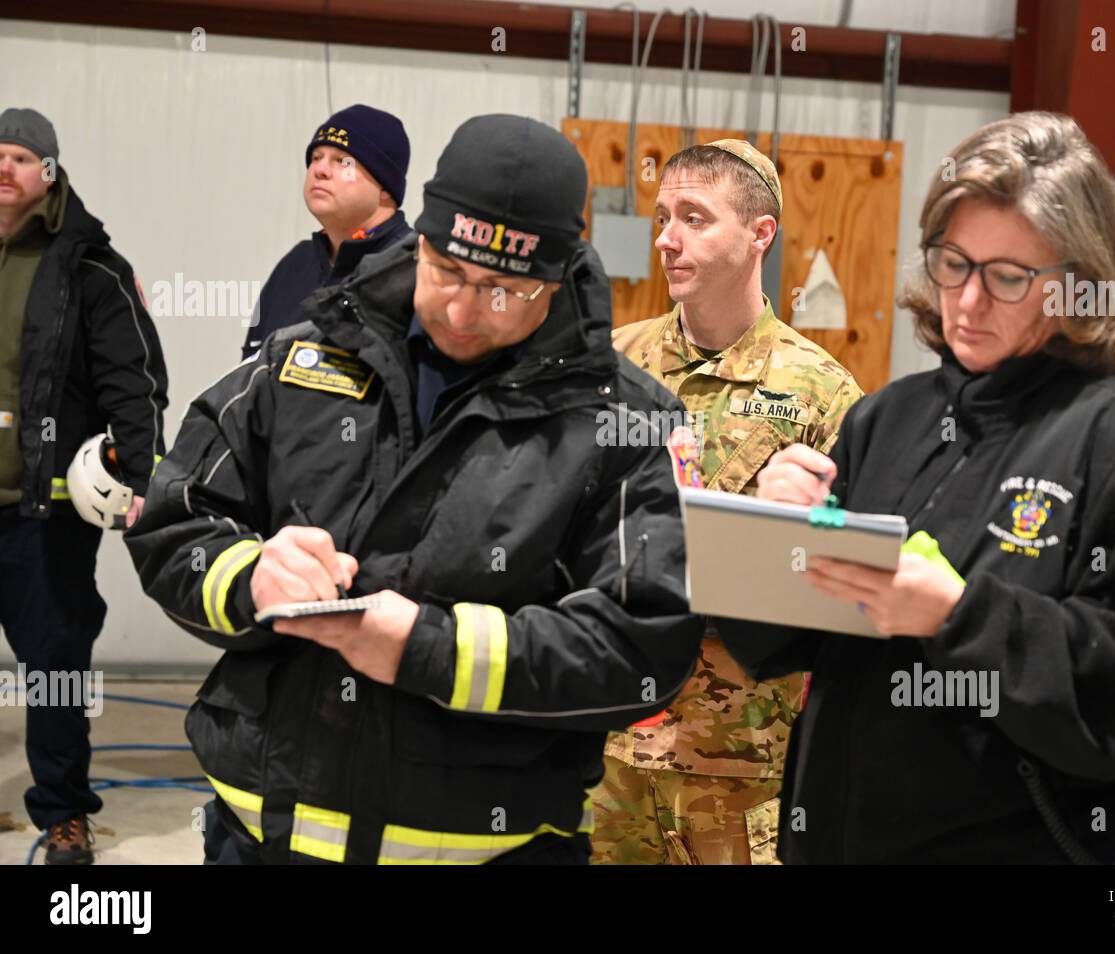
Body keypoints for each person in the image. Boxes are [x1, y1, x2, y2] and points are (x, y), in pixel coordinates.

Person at [126, 113, 701, 865]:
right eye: (447, 271)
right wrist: (250, 577)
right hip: (261, 837)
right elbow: (174, 520)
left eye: (501, 290)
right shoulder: (304, 356)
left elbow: (646, 648)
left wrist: (432, 650)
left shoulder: (630, 421)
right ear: (419, 239)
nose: (463, 311)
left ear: (557, 281)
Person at [726, 111, 1115, 864]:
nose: (967, 300)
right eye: (952, 262)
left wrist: (958, 617)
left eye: (1009, 276)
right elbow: (775, 643)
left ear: (1080, 286)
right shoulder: (890, 418)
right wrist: (774, 539)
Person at [592, 140, 862, 865]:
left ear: (759, 234)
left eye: (694, 218)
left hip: (741, 766)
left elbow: (843, 586)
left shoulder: (823, 393)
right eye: (662, 217)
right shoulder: (615, 368)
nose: (666, 239)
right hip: (606, 747)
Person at [0, 107, 169, 864]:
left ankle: (64, 811)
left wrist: (139, 475)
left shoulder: (89, 267)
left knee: (56, 667)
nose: (5, 168)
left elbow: (133, 381)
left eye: (21, 158)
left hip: (43, 512)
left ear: (50, 172)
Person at [240, 103, 412, 358]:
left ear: (385, 186)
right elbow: (249, 369)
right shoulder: (296, 263)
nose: (319, 170)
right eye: (316, 157)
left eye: (343, 161)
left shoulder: (413, 269)